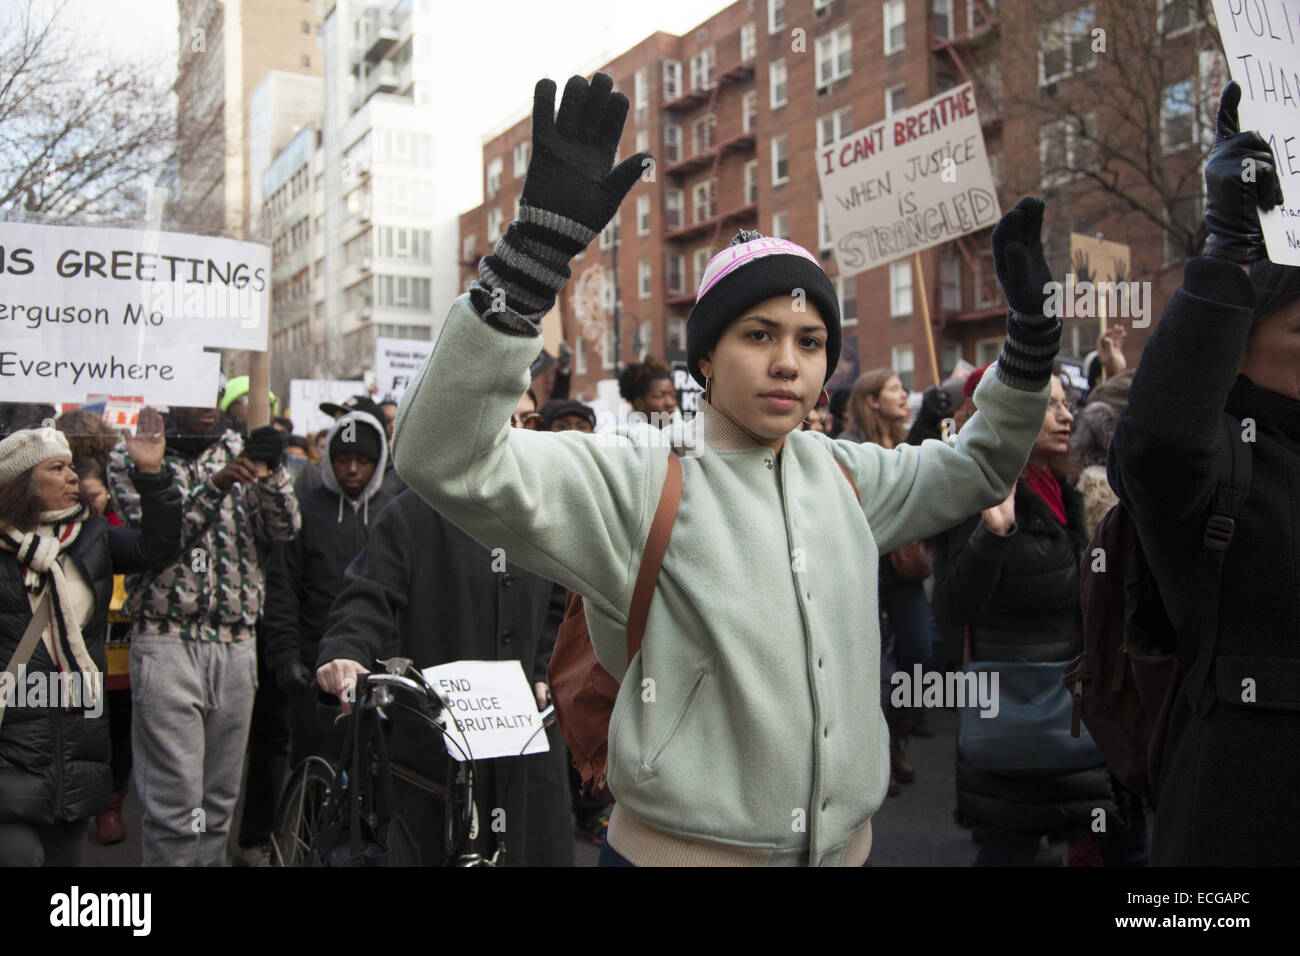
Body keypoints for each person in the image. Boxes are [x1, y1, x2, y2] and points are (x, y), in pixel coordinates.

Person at [390, 72, 1062, 866]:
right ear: (706, 354)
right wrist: (531, 261)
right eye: (758, 334)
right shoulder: (639, 478)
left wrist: (1026, 352)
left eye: (810, 343)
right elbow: (444, 454)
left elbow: (980, 466)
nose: (787, 364)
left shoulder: (847, 477)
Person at [1107, 83, 1300, 865]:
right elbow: (1155, 445)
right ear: (1241, 341)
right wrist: (1225, 257)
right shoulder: (1218, 455)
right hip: (1242, 817)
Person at [931, 373, 1142, 865]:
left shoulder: (1059, 486)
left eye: (1068, 404)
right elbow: (953, 605)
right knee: (1012, 849)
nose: (1068, 416)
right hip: (1021, 712)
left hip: (1078, 702)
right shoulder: (975, 488)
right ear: (1008, 415)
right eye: (1051, 406)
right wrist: (995, 534)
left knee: (1127, 844)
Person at [313, 484, 573, 865]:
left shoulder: (542, 513)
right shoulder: (411, 514)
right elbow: (368, 593)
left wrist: (545, 668)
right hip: (435, 750)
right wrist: (346, 652)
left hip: (528, 742)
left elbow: (564, 605)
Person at [106, 401, 300, 866]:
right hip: (166, 639)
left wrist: (271, 470)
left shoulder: (240, 448)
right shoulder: (130, 455)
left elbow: (285, 527)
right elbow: (156, 544)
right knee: (176, 808)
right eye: (194, 397)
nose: (207, 408)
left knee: (216, 807)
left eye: (211, 394)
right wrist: (216, 486)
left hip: (236, 644)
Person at [0, 414, 181, 866]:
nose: (71, 476)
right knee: (19, 855)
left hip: (78, 734)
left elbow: (159, 547)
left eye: (70, 465)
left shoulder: (91, 538)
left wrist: (151, 475)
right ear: (24, 482)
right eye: (55, 468)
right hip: (11, 735)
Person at [263, 410, 395, 767]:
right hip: (316, 669)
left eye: (363, 460)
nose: (352, 469)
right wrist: (286, 657)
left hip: (383, 669)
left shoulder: (394, 515)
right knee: (315, 769)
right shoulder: (303, 512)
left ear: (379, 461)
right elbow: (283, 587)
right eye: (343, 459)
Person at [841, 368, 942, 788]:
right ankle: (879, 749)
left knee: (919, 652)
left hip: (903, 570)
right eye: (895, 389)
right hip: (862, 571)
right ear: (871, 400)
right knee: (868, 662)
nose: (904, 394)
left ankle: (896, 730)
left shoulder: (904, 443)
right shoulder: (848, 449)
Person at [617, 358, 679, 425]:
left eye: (673, 395)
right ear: (639, 404)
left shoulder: (682, 432)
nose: (670, 403)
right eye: (660, 396)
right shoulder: (625, 434)